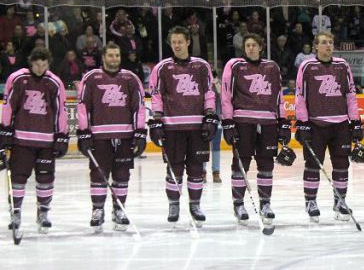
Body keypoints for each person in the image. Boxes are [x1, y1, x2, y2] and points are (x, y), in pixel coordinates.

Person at [148, 26, 218, 225]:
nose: (177, 45)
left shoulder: (201, 66)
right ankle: (174, 204)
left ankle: (195, 204)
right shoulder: (162, 68)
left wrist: (210, 115)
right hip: (172, 128)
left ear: (188, 42)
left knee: (196, 169)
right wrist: (157, 120)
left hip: (197, 127)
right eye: (174, 42)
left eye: (180, 41)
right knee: (174, 169)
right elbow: (156, 95)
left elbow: (209, 93)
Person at [76, 43, 147, 232]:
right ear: (103, 57)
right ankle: (97, 210)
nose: (114, 58)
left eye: (117, 55)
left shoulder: (130, 79)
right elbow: (83, 106)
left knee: (122, 175)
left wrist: (140, 132)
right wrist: (84, 132)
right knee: (99, 174)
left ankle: (119, 209)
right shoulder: (91, 78)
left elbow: (138, 107)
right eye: (111, 55)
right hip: (100, 136)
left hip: (124, 135)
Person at [221, 34, 290, 225]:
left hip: (268, 122)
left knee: (266, 164)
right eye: (247, 45)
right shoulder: (235, 66)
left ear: (261, 47)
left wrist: (283, 121)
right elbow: (226, 95)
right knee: (241, 163)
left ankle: (265, 203)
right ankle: (238, 204)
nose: (250, 48)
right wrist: (228, 121)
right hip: (243, 121)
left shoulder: (272, 67)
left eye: (254, 45)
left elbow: (279, 97)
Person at [294, 31, 364, 222]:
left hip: (340, 124)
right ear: (315, 46)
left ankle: (340, 201)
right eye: (324, 43)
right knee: (313, 164)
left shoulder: (342, 66)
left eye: (331, 43)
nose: (328, 46)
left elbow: (350, 95)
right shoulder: (307, 66)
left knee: (342, 164)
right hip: (316, 124)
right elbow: (300, 96)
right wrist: (302, 123)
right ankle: (310, 201)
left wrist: (355, 121)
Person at [0, 48, 69, 233]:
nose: (40, 68)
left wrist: (62, 135)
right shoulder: (18, 79)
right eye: (37, 64)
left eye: (44, 64)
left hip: (46, 141)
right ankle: (16, 213)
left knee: (45, 178)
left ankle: (43, 212)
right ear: (31, 62)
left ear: (48, 64)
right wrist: (5, 130)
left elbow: (60, 111)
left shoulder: (54, 82)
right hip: (21, 139)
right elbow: (8, 106)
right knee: (18, 178)